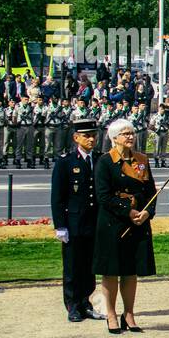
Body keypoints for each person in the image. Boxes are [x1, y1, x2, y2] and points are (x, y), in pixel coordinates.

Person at [93, 118, 156, 334]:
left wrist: (147, 211)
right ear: (114, 138)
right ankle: (110, 313)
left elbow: (151, 191)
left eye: (132, 133)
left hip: (138, 222)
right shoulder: (105, 162)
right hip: (113, 223)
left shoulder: (141, 160)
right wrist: (126, 210)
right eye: (125, 133)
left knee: (131, 271)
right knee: (111, 271)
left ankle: (129, 313)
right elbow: (103, 195)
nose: (130, 137)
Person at [51, 119, 102, 322]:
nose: (91, 139)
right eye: (86, 136)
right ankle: (72, 305)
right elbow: (58, 197)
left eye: (93, 135)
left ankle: (86, 303)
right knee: (72, 267)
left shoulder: (99, 160)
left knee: (90, 267)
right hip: (74, 223)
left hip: (94, 222)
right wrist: (60, 225)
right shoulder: (66, 162)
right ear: (76, 138)